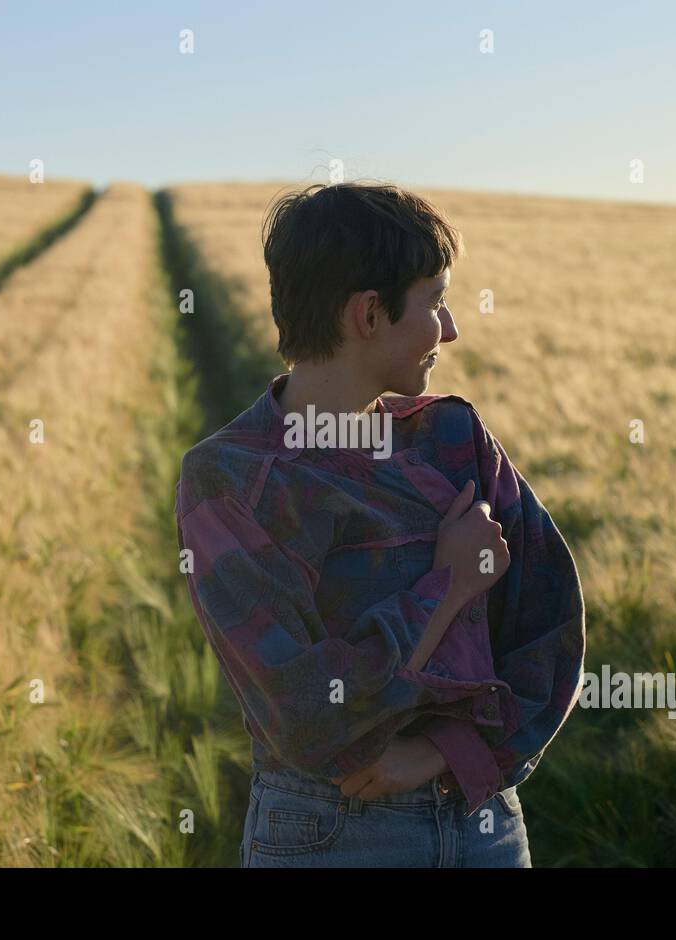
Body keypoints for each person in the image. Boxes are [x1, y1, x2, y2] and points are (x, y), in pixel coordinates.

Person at [175, 182, 586, 867]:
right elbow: (305, 717)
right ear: (369, 314)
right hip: (331, 836)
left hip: (484, 827)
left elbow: (552, 632)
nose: (450, 328)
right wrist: (448, 587)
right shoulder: (230, 481)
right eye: (434, 300)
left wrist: (439, 754)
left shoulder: (453, 438)